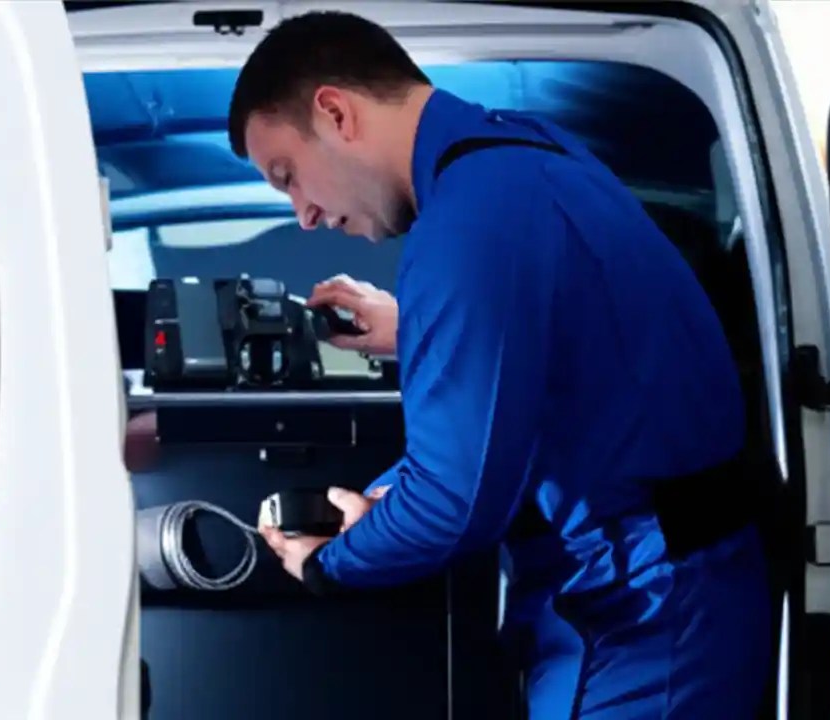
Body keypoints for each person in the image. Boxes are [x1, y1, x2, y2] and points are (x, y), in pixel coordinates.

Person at [236, 11, 772, 720]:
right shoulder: (525, 149)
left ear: (335, 112)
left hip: (639, 618)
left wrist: (329, 561)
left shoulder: (464, 227)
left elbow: (451, 507)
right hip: (680, 596)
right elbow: (575, 333)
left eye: (288, 175)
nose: (302, 213)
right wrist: (418, 327)